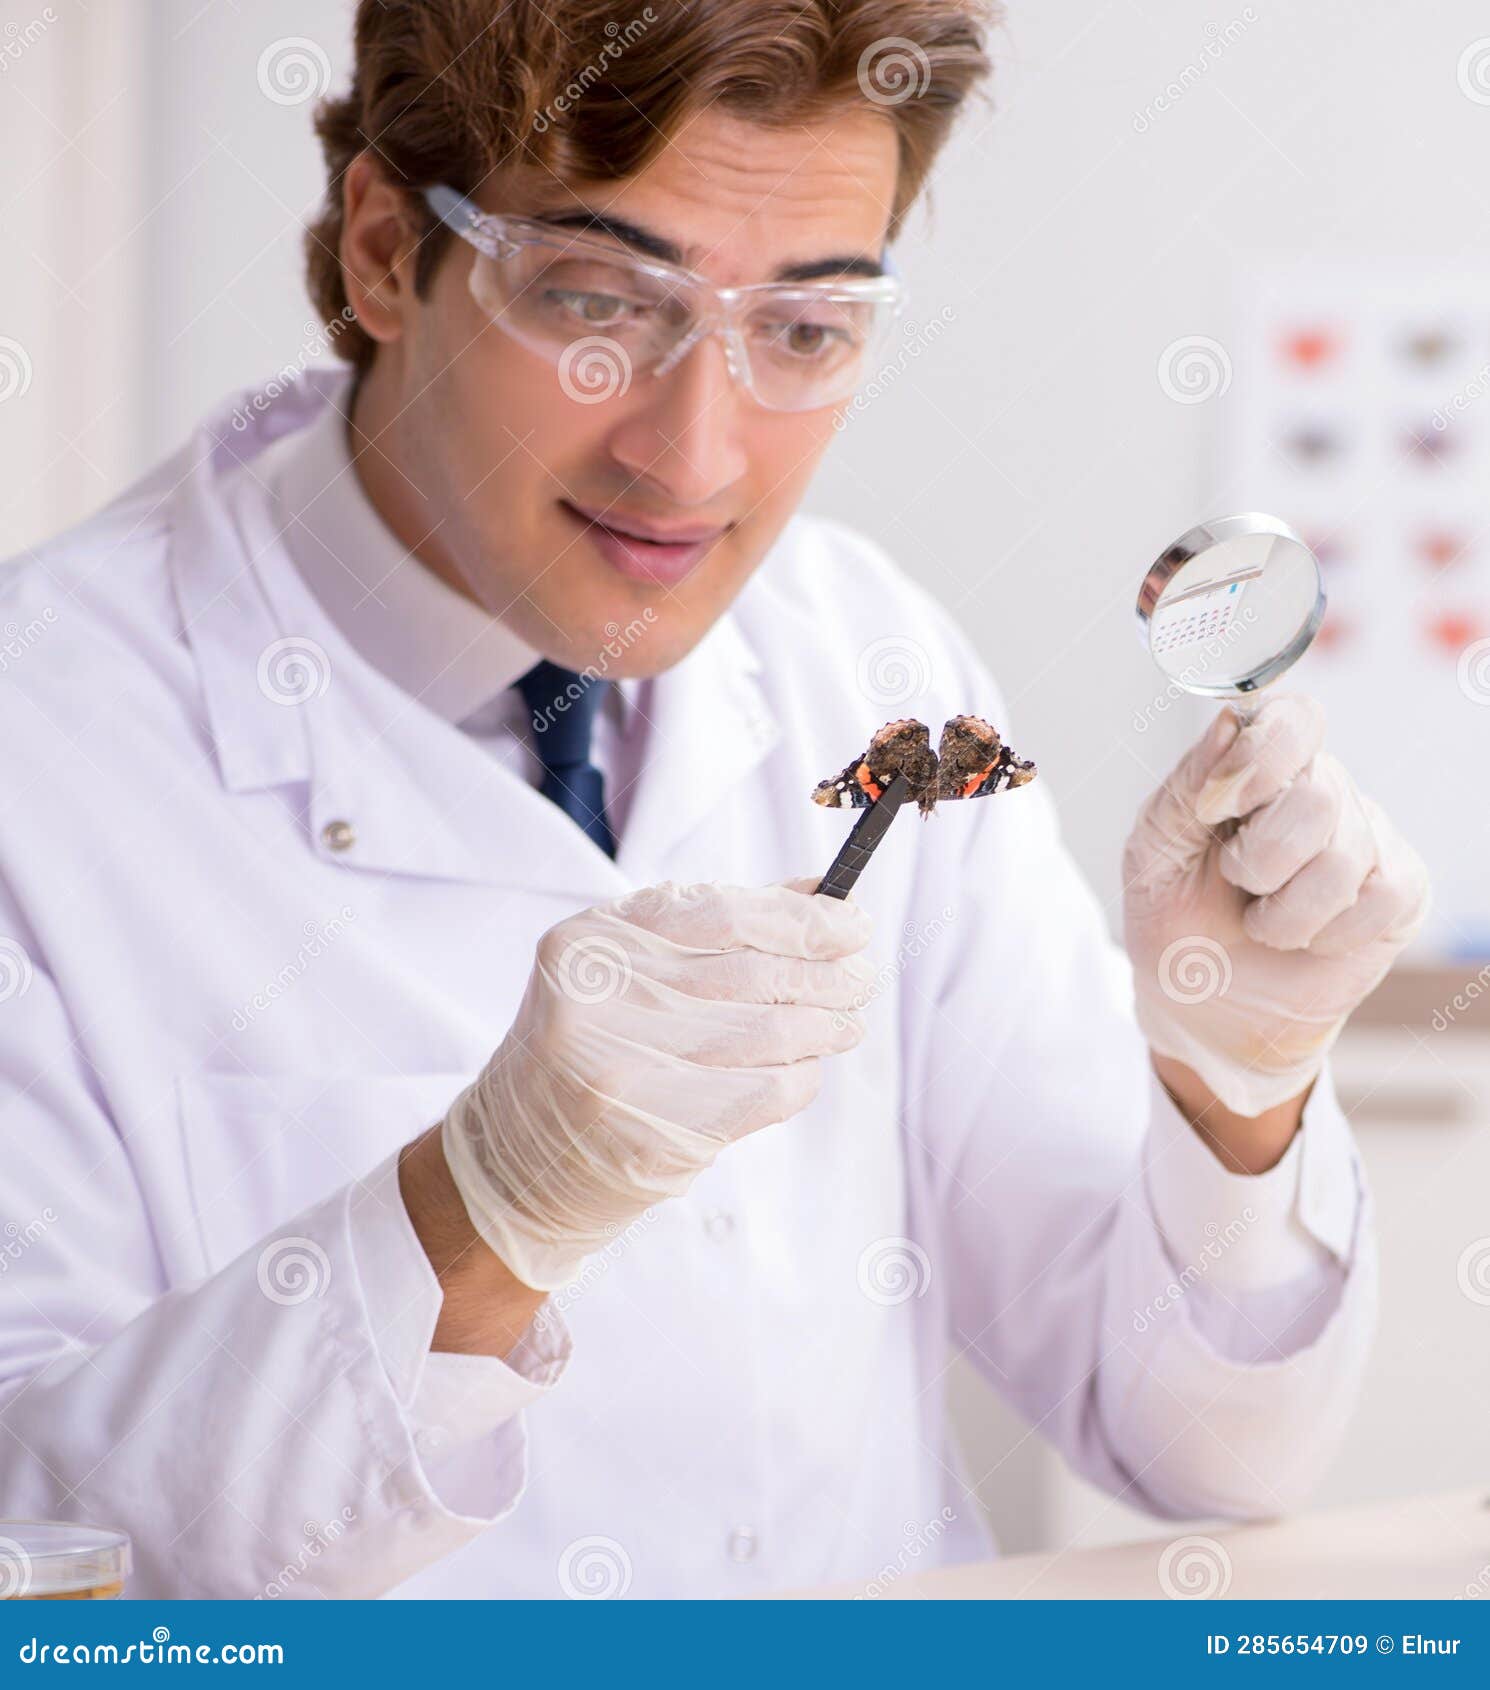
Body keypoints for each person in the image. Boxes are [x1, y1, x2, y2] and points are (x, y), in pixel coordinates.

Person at [0, 0, 1427, 1599]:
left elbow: (1209, 1453)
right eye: (601, 301)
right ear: (386, 252)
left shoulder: (870, 660)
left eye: (803, 330)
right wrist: (471, 1219)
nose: (694, 455)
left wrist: (1236, 1082)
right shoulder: (41, 749)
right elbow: (36, 1559)